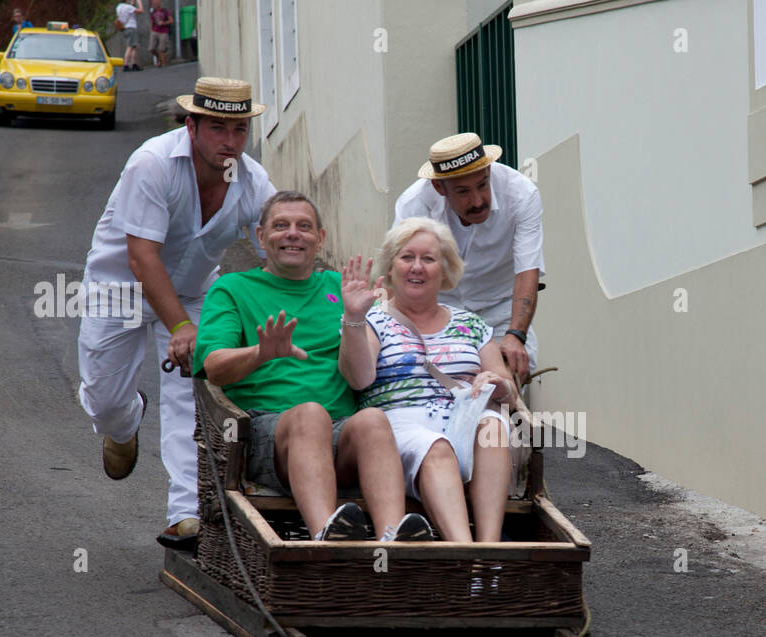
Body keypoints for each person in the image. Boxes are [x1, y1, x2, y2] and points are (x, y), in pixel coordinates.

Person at [76, 77, 276, 551]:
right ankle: (125, 423)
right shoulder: (152, 164)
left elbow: (277, 246)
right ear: (192, 125)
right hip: (119, 286)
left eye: (240, 130)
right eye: (218, 128)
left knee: (194, 396)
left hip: (194, 293)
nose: (230, 142)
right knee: (105, 403)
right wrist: (181, 328)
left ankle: (187, 514)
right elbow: (142, 258)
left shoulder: (252, 182)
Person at [194, 192, 431, 542]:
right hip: (267, 434)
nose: (293, 233)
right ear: (260, 236)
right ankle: (327, 538)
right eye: (281, 226)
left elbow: (369, 366)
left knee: (372, 421)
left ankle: (392, 542)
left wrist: (354, 317)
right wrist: (261, 352)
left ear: (319, 239)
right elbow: (213, 367)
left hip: (340, 432)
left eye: (304, 227)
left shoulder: (341, 287)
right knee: (310, 415)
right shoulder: (232, 289)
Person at [339, 218, 514, 542]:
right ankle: (467, 557)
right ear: (391, 267)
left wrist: (499, 384)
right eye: (407, 257)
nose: (416, 267)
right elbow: (360, 379)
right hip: (399, 427)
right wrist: (353, 318)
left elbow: (507, 389)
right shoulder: (374, 319)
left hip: (463, 420)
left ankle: (491, 550)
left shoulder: (471, 323)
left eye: (428, 259)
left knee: (493, 426)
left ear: (445, 270)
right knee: (434, 446)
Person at [393, 133, 543, 383]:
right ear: (439, 187)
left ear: (489, 171)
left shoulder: (522, 195)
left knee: (506, 388)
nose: (477, 201)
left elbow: (528, 270)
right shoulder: (414, 204)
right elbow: (402, 273)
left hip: (501, 309)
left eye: (483, 185)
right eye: (463, 191)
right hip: (436, 310)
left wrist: (515, 334)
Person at [116, 0, 142, 71]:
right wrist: (139, 3)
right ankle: (126, 64)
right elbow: (140, 10)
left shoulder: (119, 7)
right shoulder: (128, 7)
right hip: (131, 27)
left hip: (125, 27)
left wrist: (132, 4)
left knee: (135, 46)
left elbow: (128, 11)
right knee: (130, 46)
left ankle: (134, 63)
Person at [148, 0, 172, 68]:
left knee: (162, 49)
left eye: (157, 2)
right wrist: (151, 30)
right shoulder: (153, 12)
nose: (156, 4)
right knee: (151, 48)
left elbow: (171, 20)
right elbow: (151, 22)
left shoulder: (165, 11)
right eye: (155, 3)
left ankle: (164, 64)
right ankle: (159, 58)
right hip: (155, 31)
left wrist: (163, 23)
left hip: (163, 31)